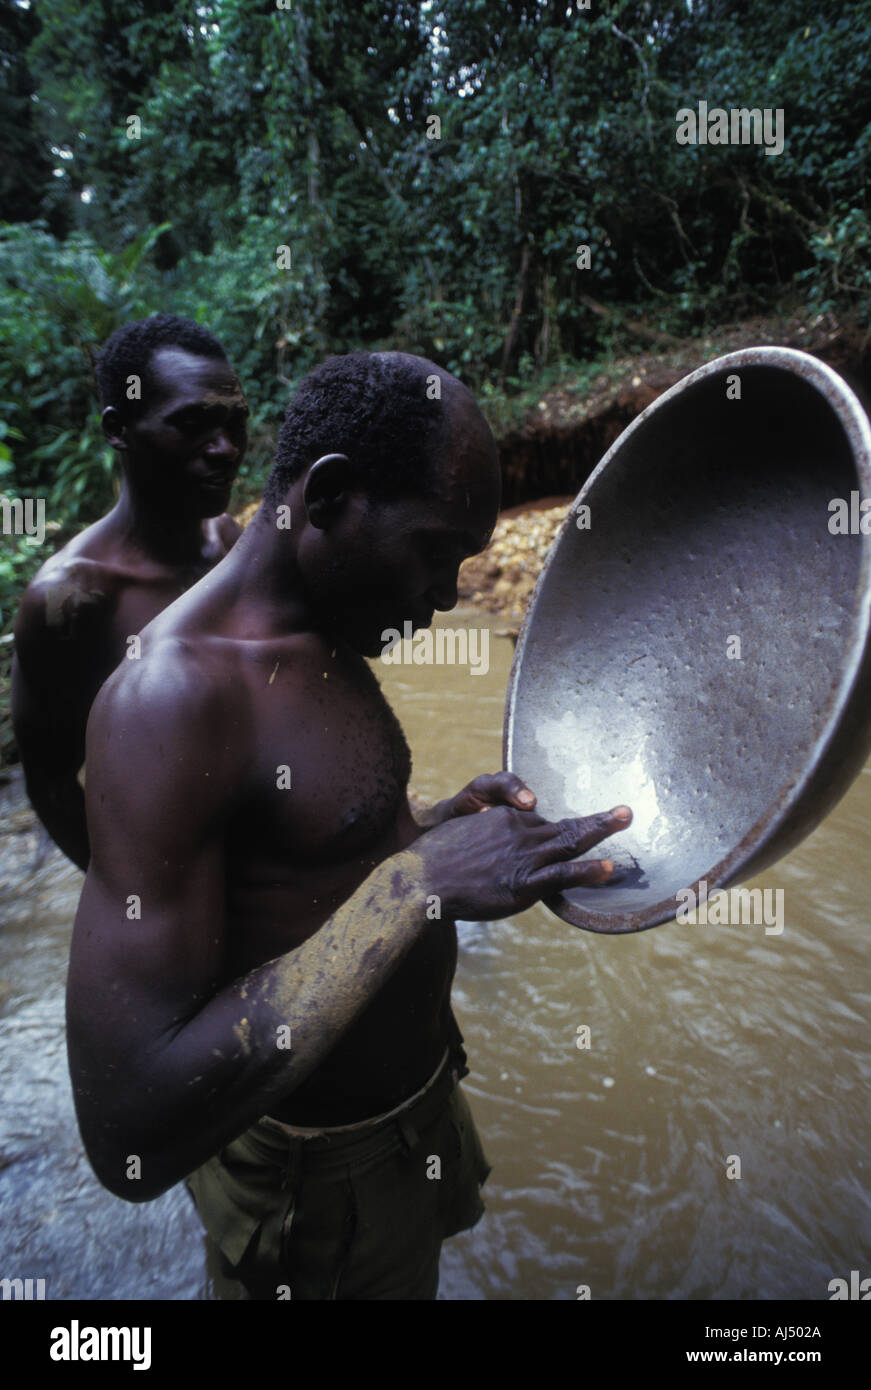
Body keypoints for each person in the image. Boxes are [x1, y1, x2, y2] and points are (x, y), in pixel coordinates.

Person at [66, 351, 632, 1300]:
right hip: (312, 1189)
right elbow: (126, 1128)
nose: (449, 595)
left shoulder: (327, 618)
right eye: (433, 550)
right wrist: (415, 886)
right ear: (328, 498)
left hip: (410, 1119)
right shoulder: (171, 703)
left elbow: (298, 849)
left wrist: (427, 828)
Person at [11, 314, 248, 869]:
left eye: (236, 423)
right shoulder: (70, 600)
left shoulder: (229, 546)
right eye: (192, 424)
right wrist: (131, 900)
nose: (226, 449)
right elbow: (49, 782)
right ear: (117, 429)